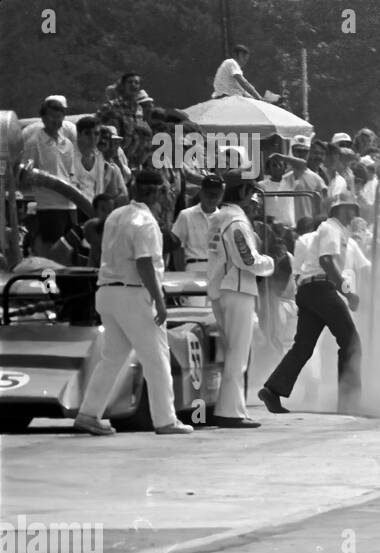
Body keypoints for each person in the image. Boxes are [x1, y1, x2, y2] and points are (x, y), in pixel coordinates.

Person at [73, 170, 193, 435]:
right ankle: (165, 420)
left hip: (107, 291)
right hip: (133, 294)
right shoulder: (146, 222)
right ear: (157, 193)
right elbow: (144, 263)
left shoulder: (116, 215)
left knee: (113, 357)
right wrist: (159, 300)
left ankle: (89, 413)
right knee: (157, 357)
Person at [259, 192, 365, 415]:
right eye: (349, 208)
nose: (353, 213)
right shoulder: (331, 228)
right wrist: (347, 292)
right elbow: (325, 261)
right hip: (320, 288)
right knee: (351, 342)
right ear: (337, 210)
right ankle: (350, 403)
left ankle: (272, 390)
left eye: (354, 208)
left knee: (304, 346)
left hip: (310, 290)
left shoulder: (336, 230)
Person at [207, 175, 275, 428]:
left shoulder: (218, 217)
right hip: (236, 289)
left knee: (233, 353)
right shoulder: (236, 221)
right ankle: (230, 412)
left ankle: (231, 408)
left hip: (223, 288)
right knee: (238, 354)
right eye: (252, 192)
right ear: (244, 192)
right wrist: (269, 262)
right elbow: (247, 260)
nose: (254, 198)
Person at [22, 95, 79, 258]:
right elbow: (26, 172)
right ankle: (48, 280)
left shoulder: (66, 143)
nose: (56, 121)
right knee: (52, 250)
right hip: (49, 206)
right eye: (51, 116)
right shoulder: (34, 141)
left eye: (59, 117)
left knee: (70, 250)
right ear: (43, 118)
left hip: (70, 205)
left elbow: (71, 172)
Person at [172, 175, 224, 273]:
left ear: (221, 195)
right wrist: (182, 274)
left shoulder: (225, 218)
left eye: (215, 194)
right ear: (201, 193)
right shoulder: (186, 215)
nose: (211, 198)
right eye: (208, 194)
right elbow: (177, 248)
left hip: (218, 270)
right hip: (193, 267)